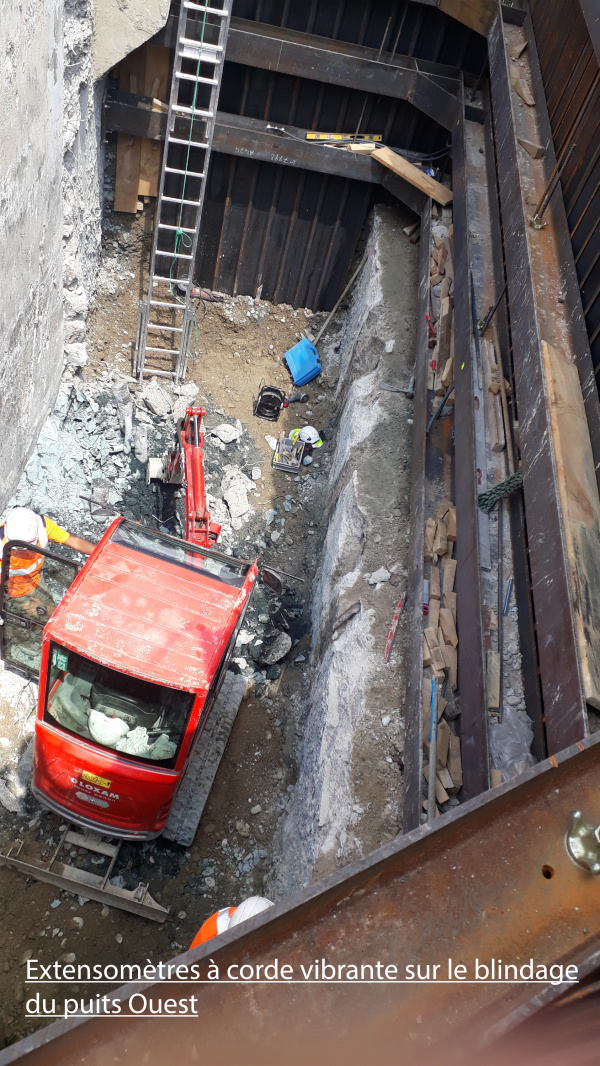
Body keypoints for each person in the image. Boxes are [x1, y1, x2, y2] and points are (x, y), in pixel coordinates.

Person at [0, 507, 95, 619]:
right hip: (13, 593)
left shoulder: (42, 526)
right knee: (31, 621)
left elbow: (74, 541)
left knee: (52, 614)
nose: (22, 551)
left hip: (36, 581)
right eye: (17, 548)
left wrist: (104, 553)